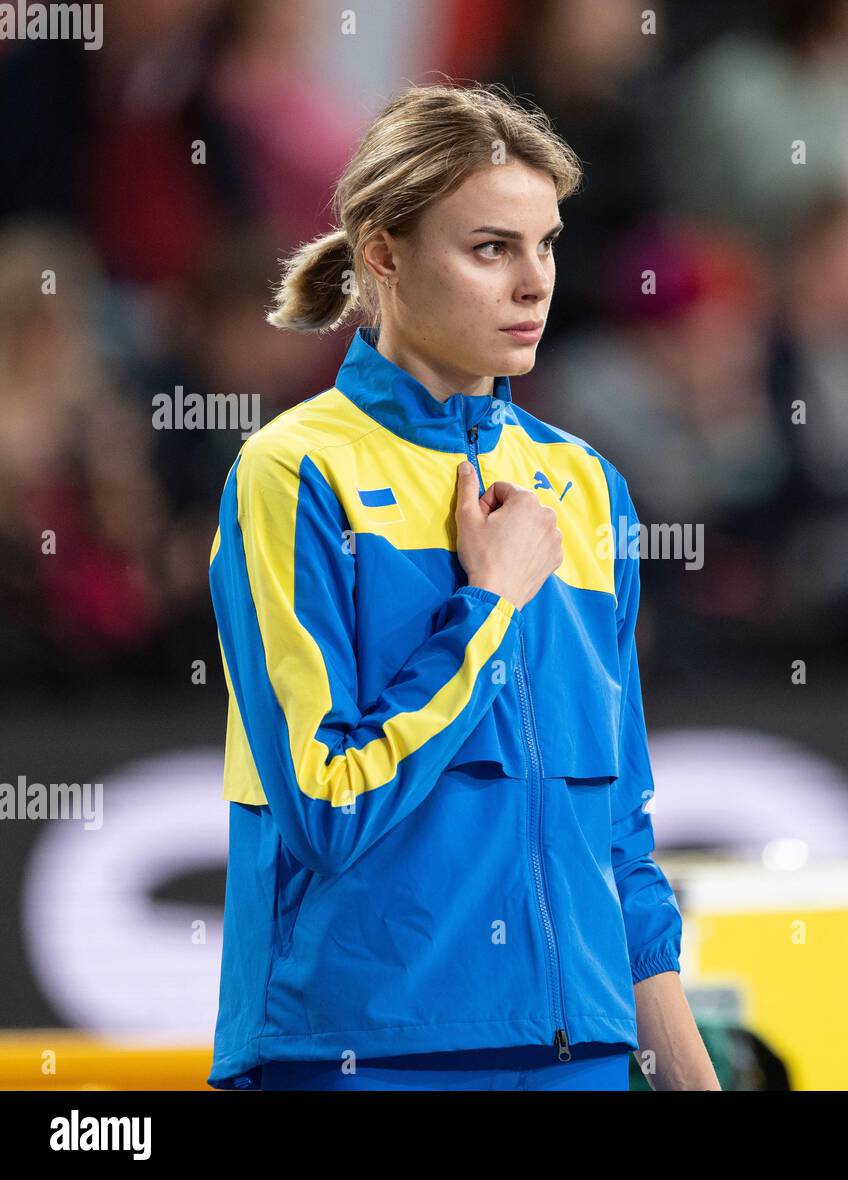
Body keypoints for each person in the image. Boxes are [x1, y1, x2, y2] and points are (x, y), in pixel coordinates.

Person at [206, 80, 720, 1091]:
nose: (534, 283)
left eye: (547, 244)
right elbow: (327, 801)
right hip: (364, 1053)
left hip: (584, 1053)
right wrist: (485, 607)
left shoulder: (583, 483)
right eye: (491, 247)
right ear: (382, 254)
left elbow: (617, 835)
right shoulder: (293, 471)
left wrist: (691, 1078)